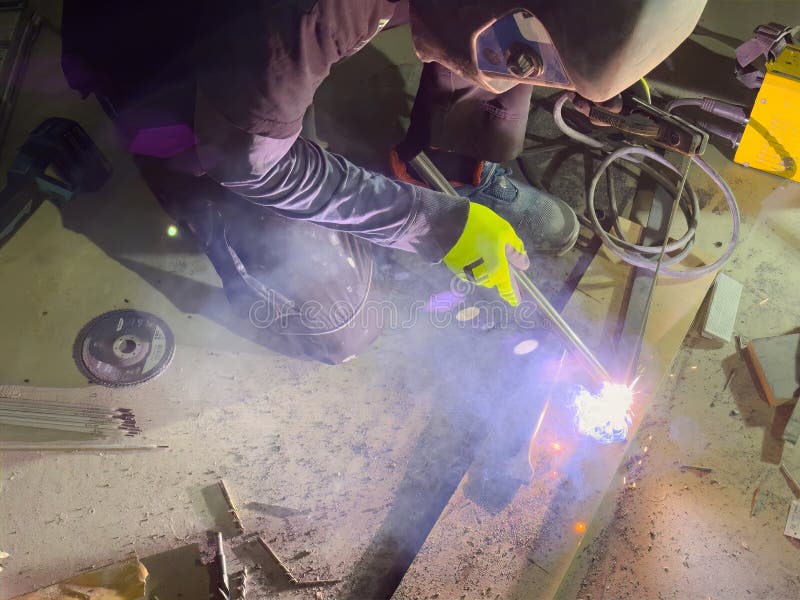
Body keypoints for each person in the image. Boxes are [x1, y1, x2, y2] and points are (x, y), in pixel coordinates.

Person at [60, 0, 707, 364]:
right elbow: (256, 163)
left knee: (495, 105)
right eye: (525, 60)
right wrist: (433, 225)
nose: (520, 82)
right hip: (171, 72)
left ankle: (445, 167)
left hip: (287, 46)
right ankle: (212, 210)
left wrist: (597, 66)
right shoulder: (316, 14)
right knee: (345, 325)